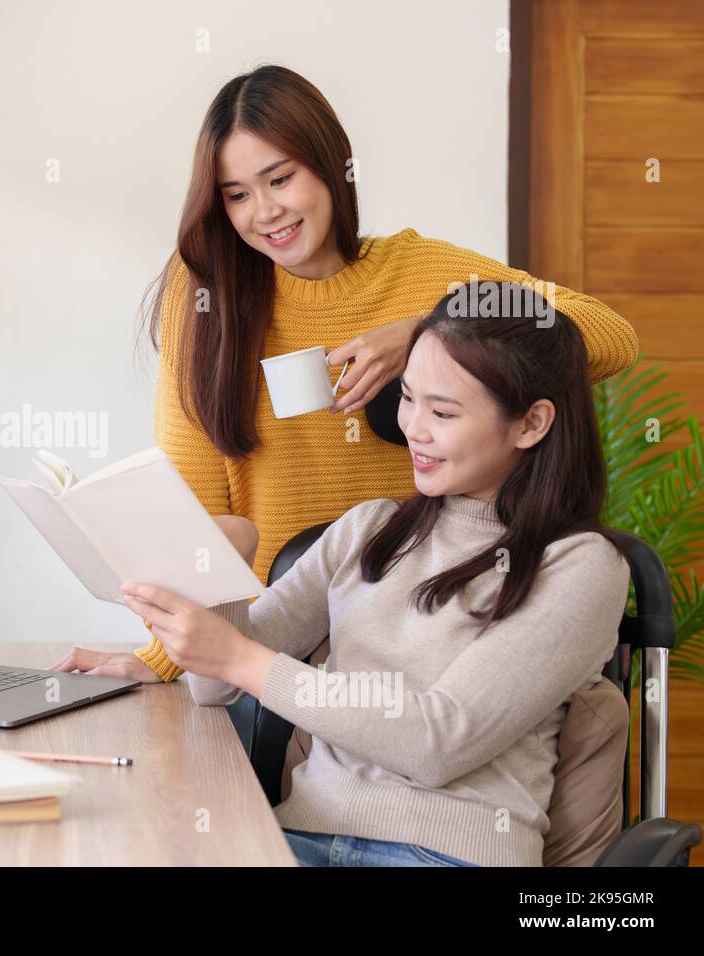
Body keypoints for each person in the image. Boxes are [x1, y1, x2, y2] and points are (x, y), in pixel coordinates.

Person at [50, 64, 637, 684]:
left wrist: (426, 331)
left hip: (409, 637)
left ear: (331, 166)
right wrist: (168, 659)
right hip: (260, 646)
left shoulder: (420, 272)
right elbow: (196, 509)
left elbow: (604, 334)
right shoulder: (205, 296)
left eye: (281, 178)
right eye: (237, 193)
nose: (265, 211)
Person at [115, 288, 630, 867]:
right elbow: (216, 686)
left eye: (443, 412)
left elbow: (440, 742)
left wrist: (238, 658)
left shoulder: (580, 566)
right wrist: (222, 574)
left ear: (531, 423)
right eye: (407, 398)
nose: (413, 426)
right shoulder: (368, 530)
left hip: (447, 853)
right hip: (299, 839)